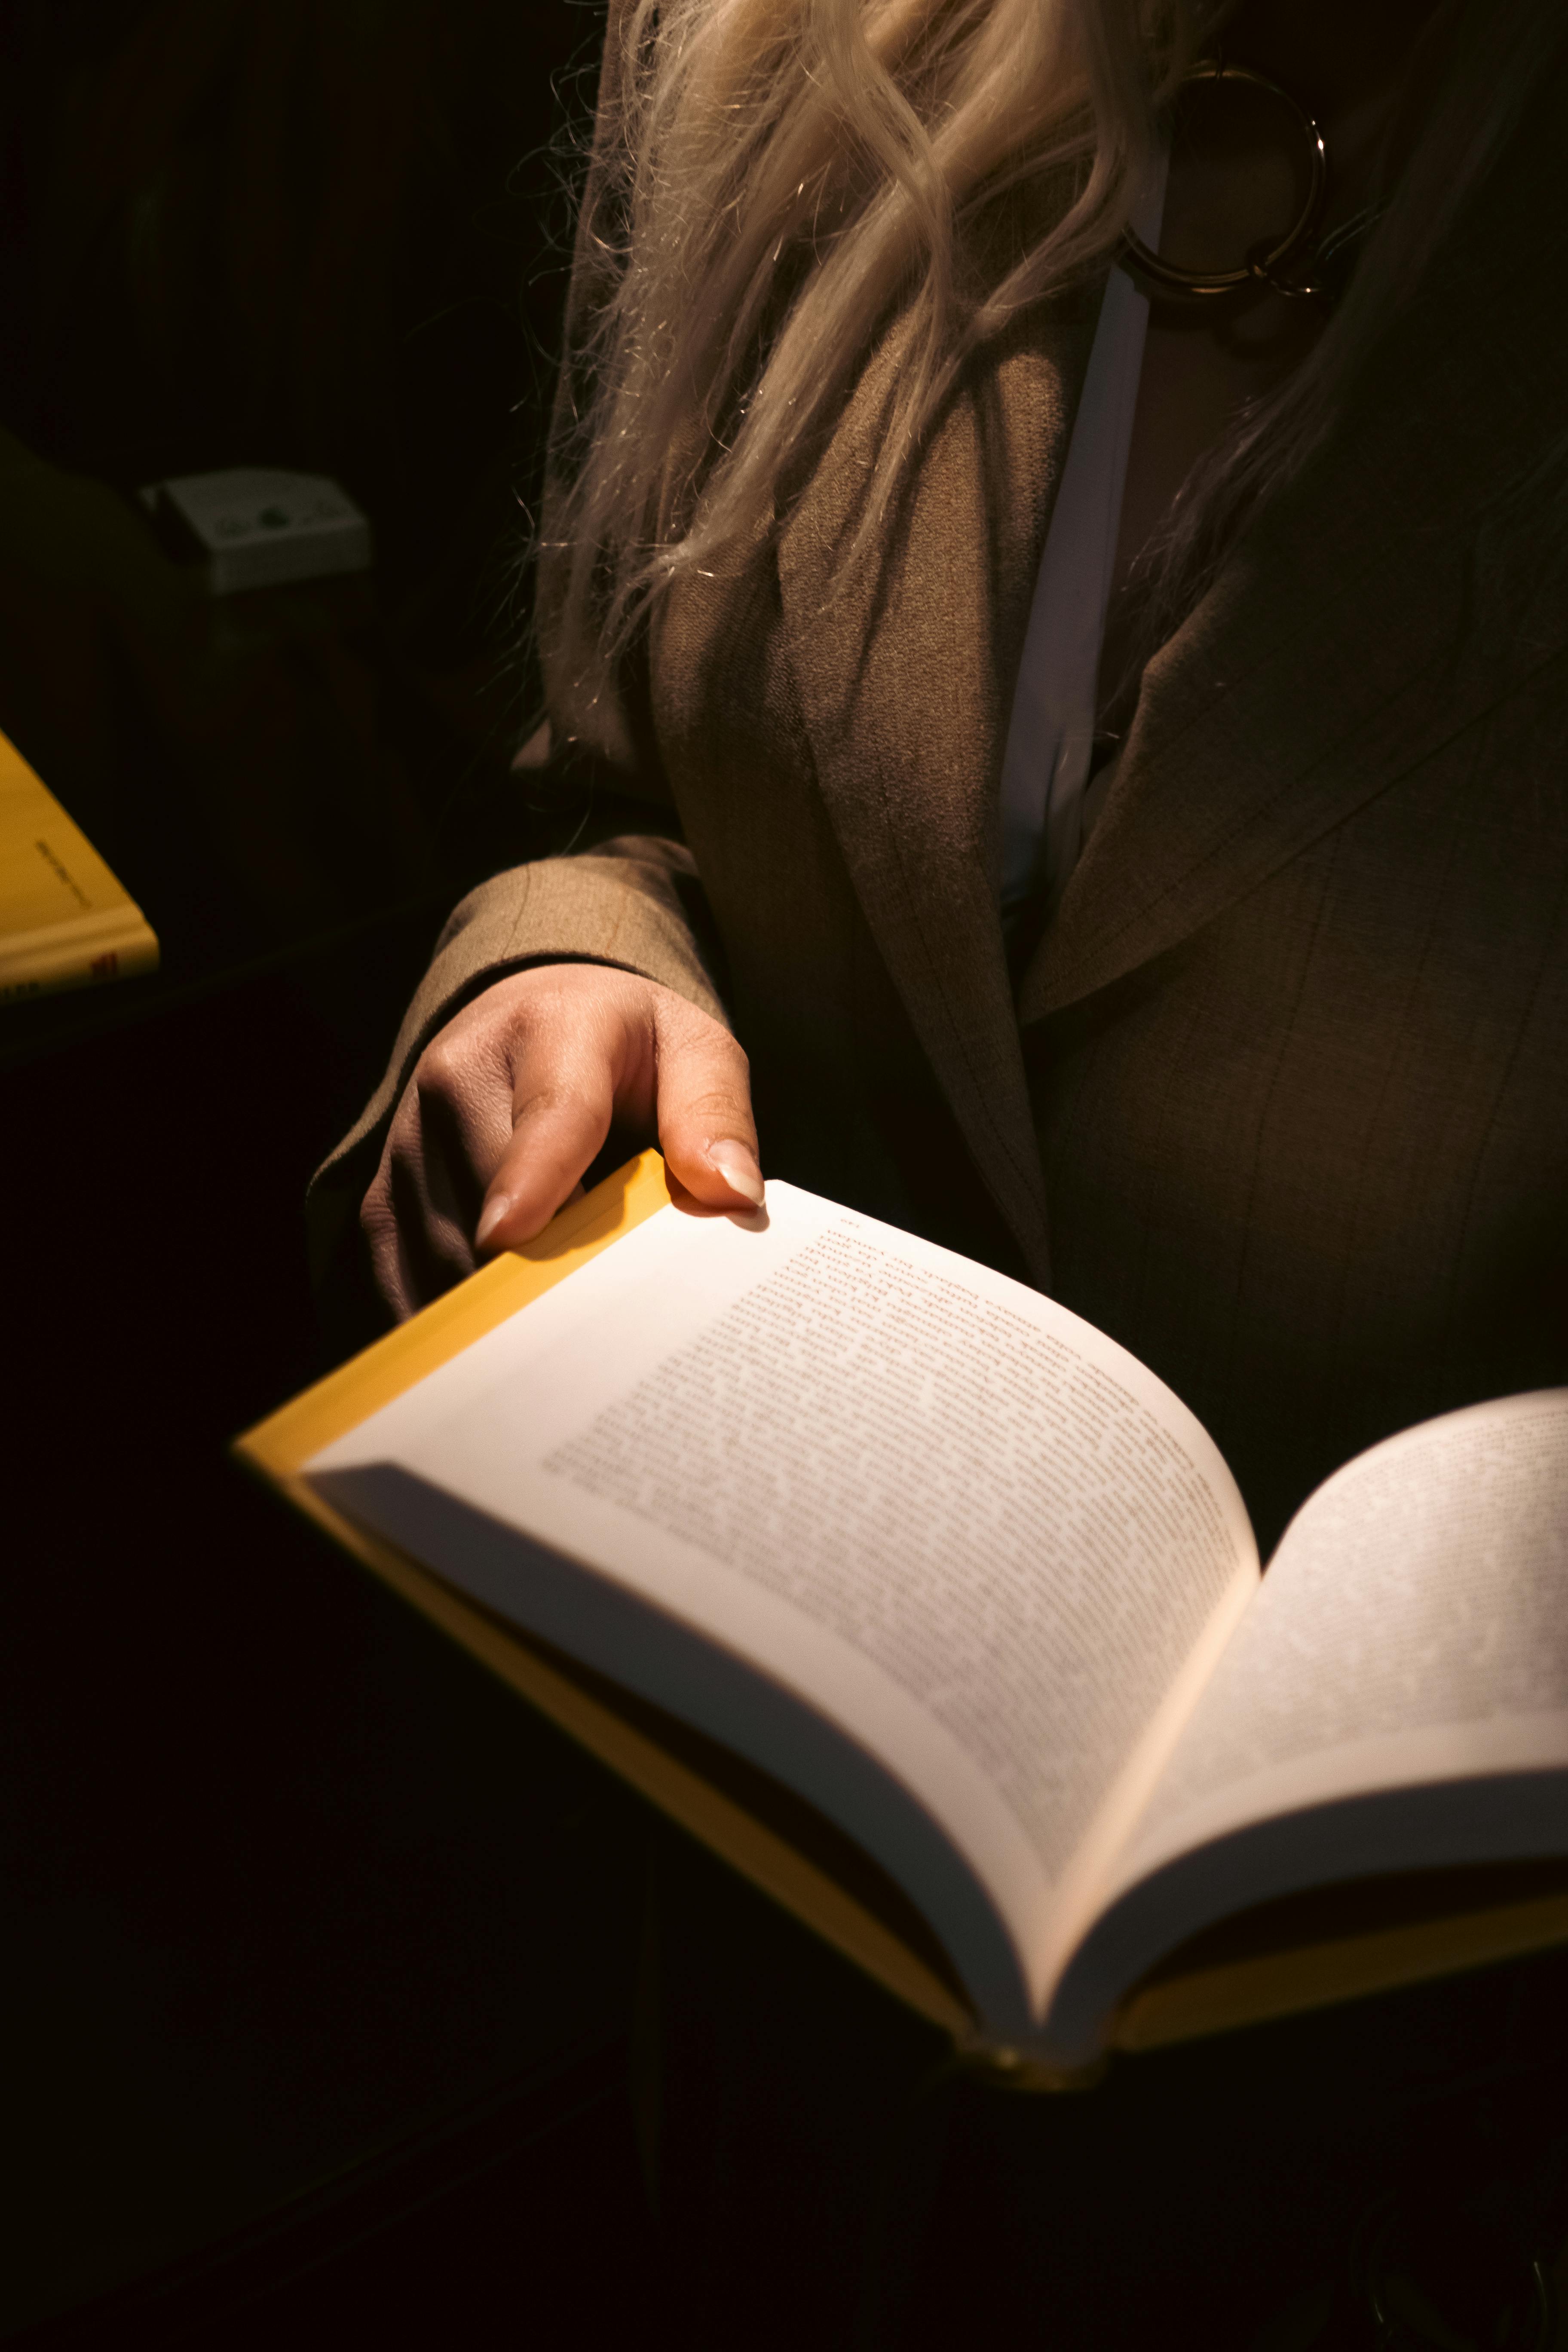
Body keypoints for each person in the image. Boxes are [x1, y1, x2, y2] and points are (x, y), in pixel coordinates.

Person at [310, 0, 1568, 2335]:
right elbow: (616, 776)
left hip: (1418, 2122)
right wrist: (561, 953)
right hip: (720, 1946)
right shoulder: (764, 50)